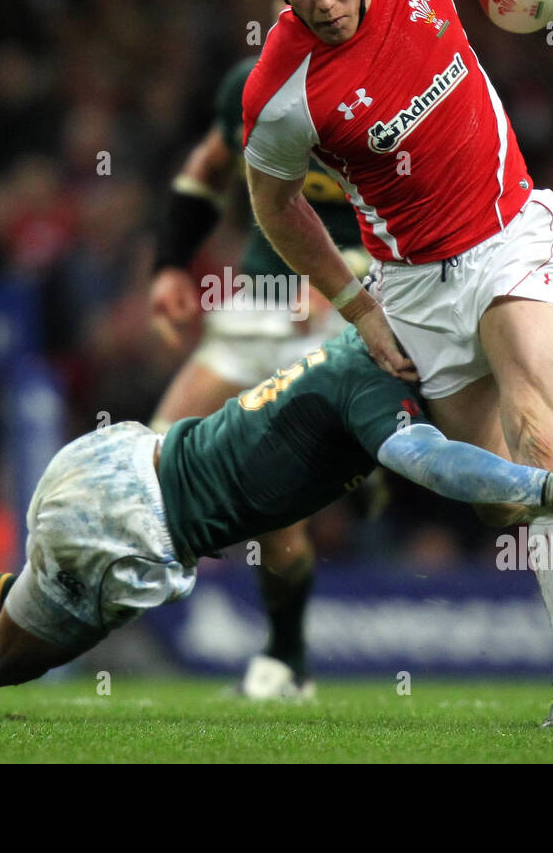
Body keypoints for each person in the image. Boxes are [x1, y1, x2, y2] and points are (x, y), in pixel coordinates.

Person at [241, 0, 553, 723]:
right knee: (504, 494)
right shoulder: (279, 95)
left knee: (542, 431)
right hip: (414, 284)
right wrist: (358, 307)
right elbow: (274, 206)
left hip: (512, 231)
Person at [0, 326, 553, 725]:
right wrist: (545, 485)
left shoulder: (361, 353)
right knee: (3, 660)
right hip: (138, 523)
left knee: (27, 600)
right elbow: (436, 463)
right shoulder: (383, 390)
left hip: (116, 464)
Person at [149, 49, 371, 699]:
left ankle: (285, 657)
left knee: (278, 503)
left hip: (358, 306)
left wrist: (340, 274)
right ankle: (59, 639)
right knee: (155, 459)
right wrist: (169, 263)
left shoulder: (395, 84)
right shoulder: (250, 82)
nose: (312, 0)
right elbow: (209, 166)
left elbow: (431, 207)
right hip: (261, 301)